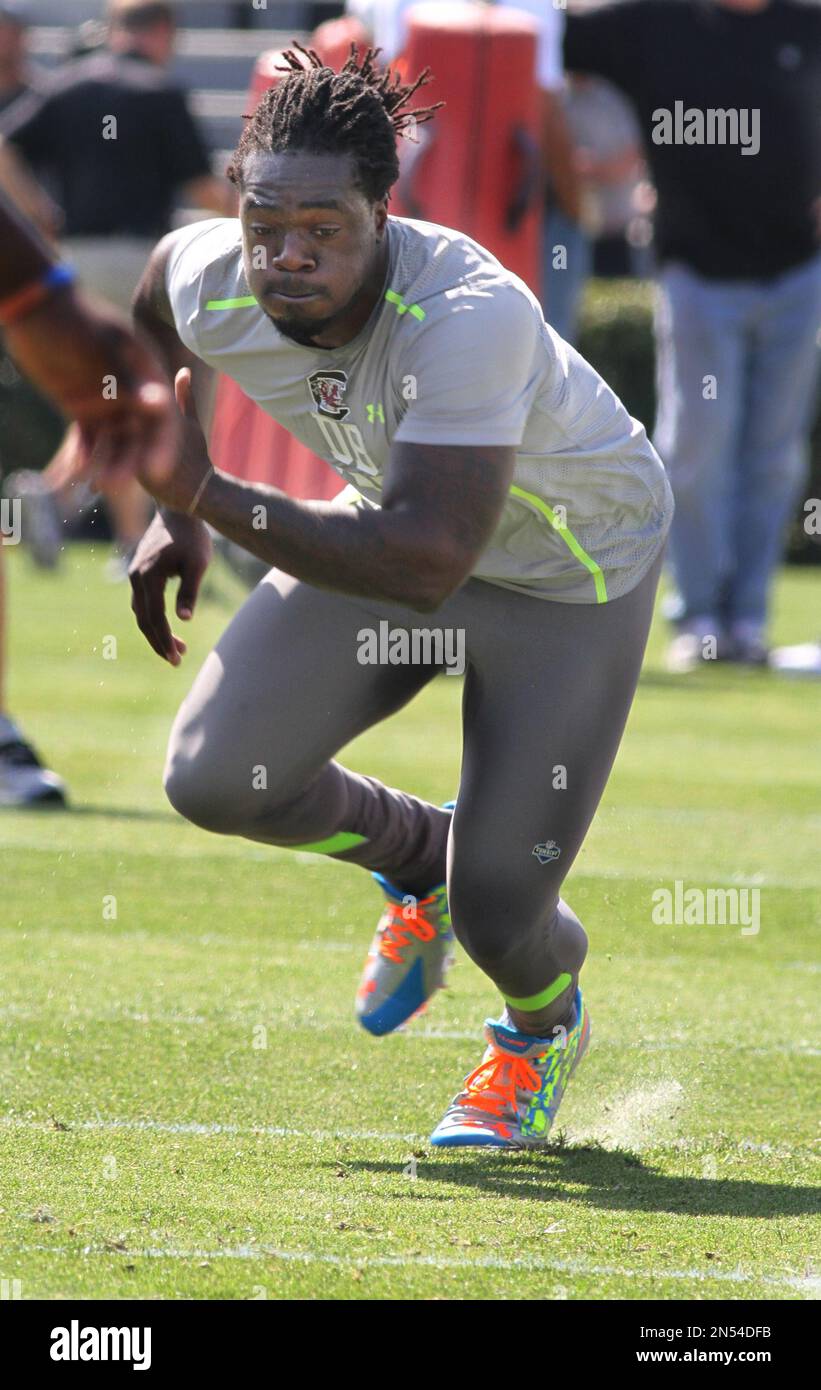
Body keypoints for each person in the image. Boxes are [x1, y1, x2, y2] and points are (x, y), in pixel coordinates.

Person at [124, 44, 673, 1149]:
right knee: (217, 776)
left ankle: (536, 1028)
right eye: (265, 224)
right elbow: (151, 309)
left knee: (503, 915)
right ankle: (415, 854)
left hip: (566, 575)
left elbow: (424, 559)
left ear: (384, 209)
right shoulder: (215, 273)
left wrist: (210, 494)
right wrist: (171, 516)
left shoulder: (467, 311)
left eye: (322, 229)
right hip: (401, 528)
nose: (286, 257)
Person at [564, 0, 821, 672]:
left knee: (774, 455)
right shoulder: (653, 23)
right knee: (699, 445)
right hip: (696, 274)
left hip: (798, 270)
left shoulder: (805, 23)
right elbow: (549, 35)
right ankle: (700, 618)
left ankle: (747, 624)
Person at [0, 0, 234, 574]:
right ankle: (127, 536)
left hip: (69, 263)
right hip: (142, 262)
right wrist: (261, 219)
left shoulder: (68, 86)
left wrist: (40, 216)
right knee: (136, 396)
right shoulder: (159, 91)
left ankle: (55, 494)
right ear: (162, 32)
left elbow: (3, 146)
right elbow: (202, 186)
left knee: (107, 395)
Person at [0, 187, 178, 805]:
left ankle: (68, 507)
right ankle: (116, 533)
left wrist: (40, 298)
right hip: (122, 254)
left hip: (72, 257)